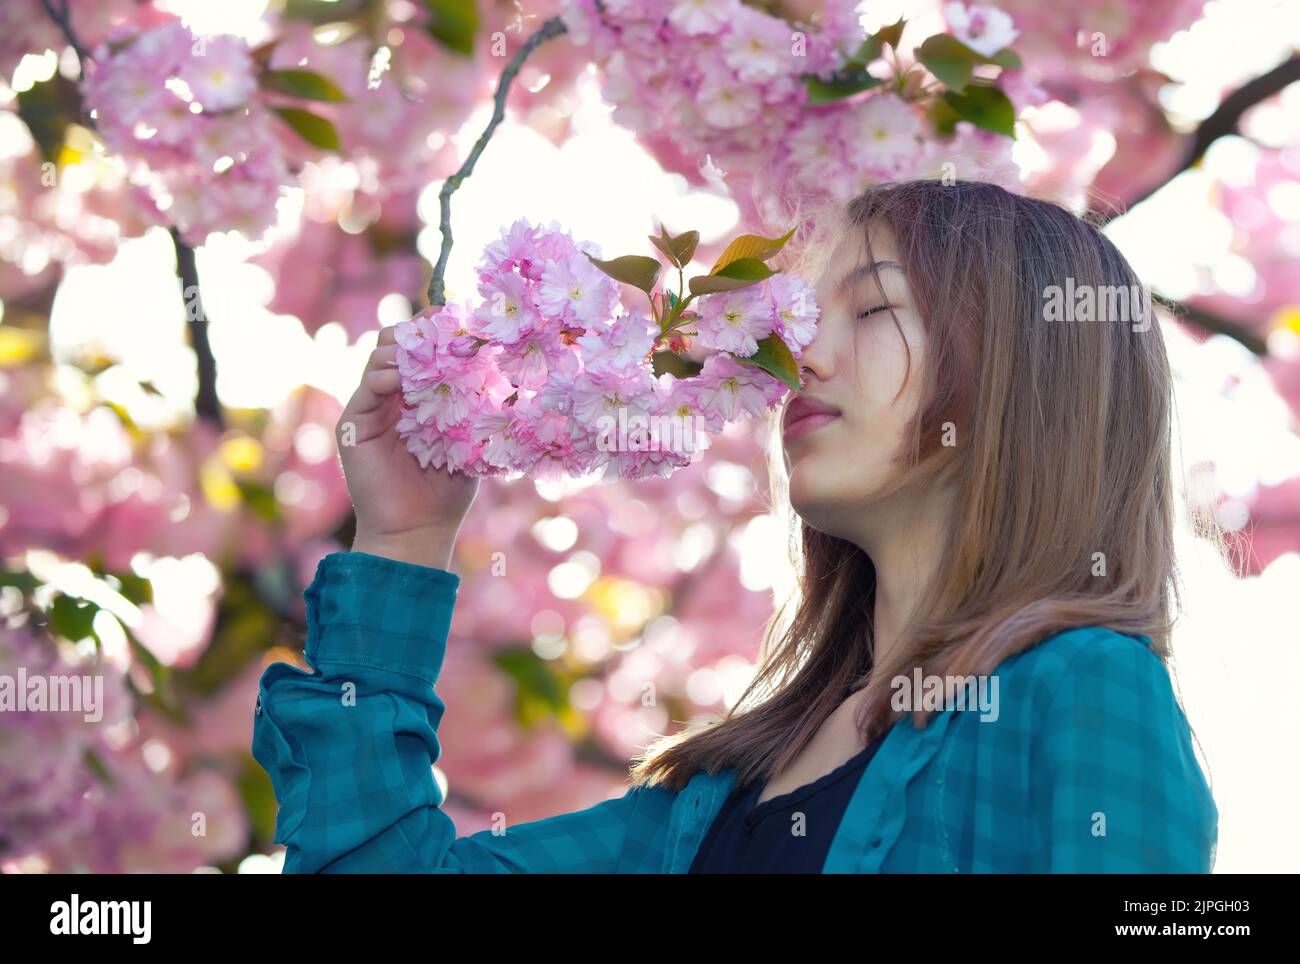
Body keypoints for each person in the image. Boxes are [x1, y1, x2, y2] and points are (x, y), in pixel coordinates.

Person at [251, 179, 1218, 873]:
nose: (801, 360)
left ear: (1024, 377)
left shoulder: (1084, 688)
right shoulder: (715, 799)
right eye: (800, 321)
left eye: (873, 309)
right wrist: (405, 538)